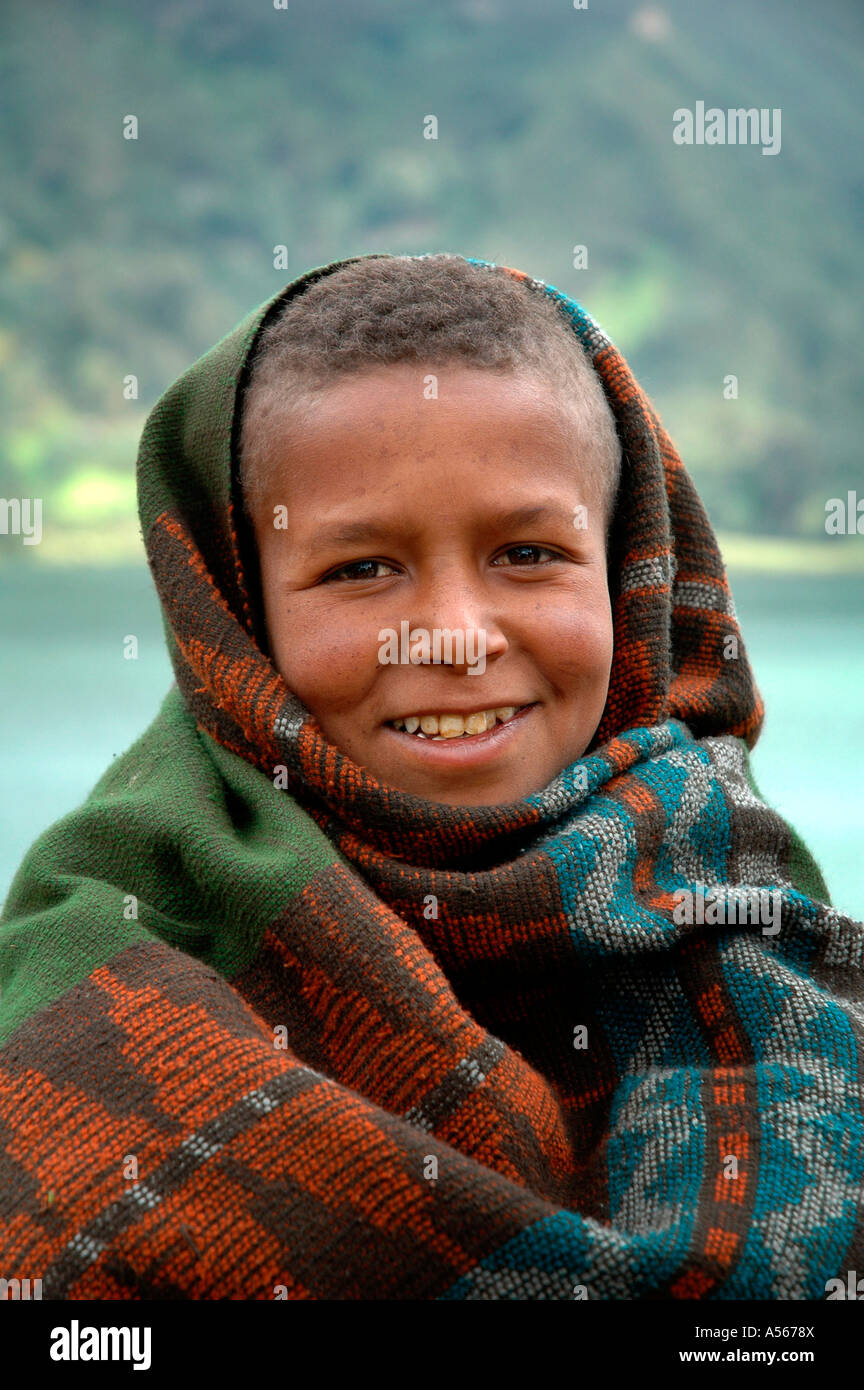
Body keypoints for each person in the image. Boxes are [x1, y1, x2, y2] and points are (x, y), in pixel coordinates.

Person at [0, 252, 861, 1300]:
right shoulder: (97, 988)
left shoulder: (752, 918)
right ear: (237, 607)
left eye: (529, 553)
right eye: (361, 568)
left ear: (630, 569)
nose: (455, 640)